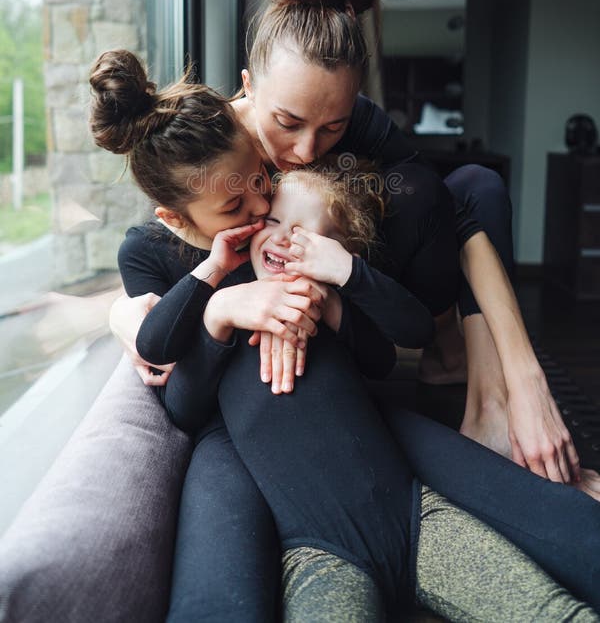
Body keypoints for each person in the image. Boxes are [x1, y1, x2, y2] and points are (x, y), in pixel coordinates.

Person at [90, 50, 600, 621]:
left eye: (262, 180)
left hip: (363, 437)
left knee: (556, 536)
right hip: (258, 459)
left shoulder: (285, 206)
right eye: (236, 205)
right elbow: (176, 386)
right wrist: (224, 306)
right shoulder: (157, 253)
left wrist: (335, 287)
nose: (261, 209)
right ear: (176, 219)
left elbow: (389, 341)